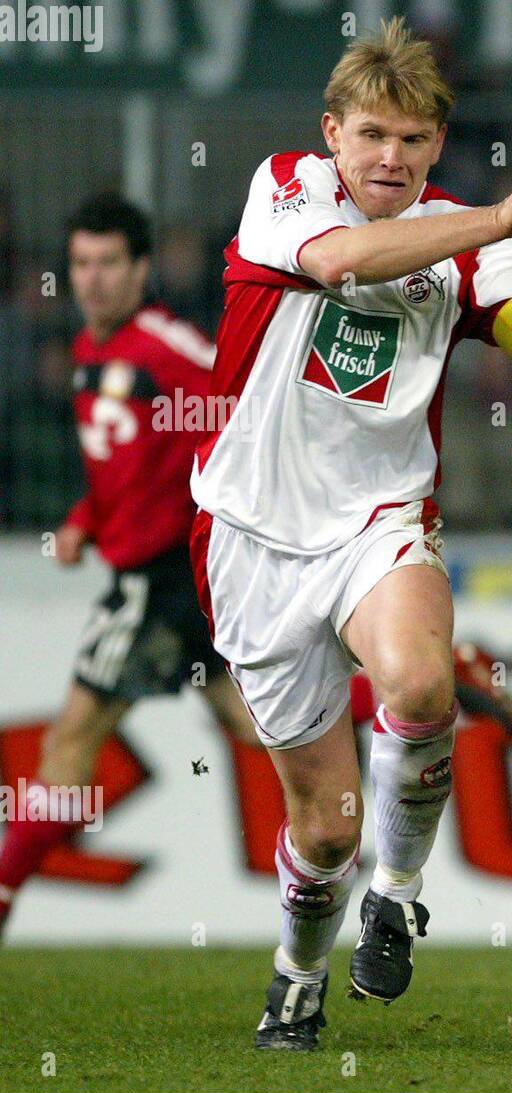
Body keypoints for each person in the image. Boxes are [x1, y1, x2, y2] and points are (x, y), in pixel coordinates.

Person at [189, 18, 512, 1050]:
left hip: (380, 520)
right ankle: (297, 976)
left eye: (411, 140)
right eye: (372, 137)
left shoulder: (479, 251)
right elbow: (347, 259)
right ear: (333, 136)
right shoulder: (288, 190)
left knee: (422, 684)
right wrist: (494, 217)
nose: (389, 158)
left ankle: (397, 895)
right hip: (252, 537)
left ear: (437, 142)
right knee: (323, 827)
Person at [0, 194, 260, 936]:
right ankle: (407, 704)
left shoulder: (164, 348)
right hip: (168, 579)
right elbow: (125, 469)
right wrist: (86, 520)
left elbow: (240, 410)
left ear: (140, 267)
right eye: (81, 262)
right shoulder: (91, 349)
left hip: (159, 580)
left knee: (68, 741)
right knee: (253, 721)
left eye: (110, 262)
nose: (93, 278)